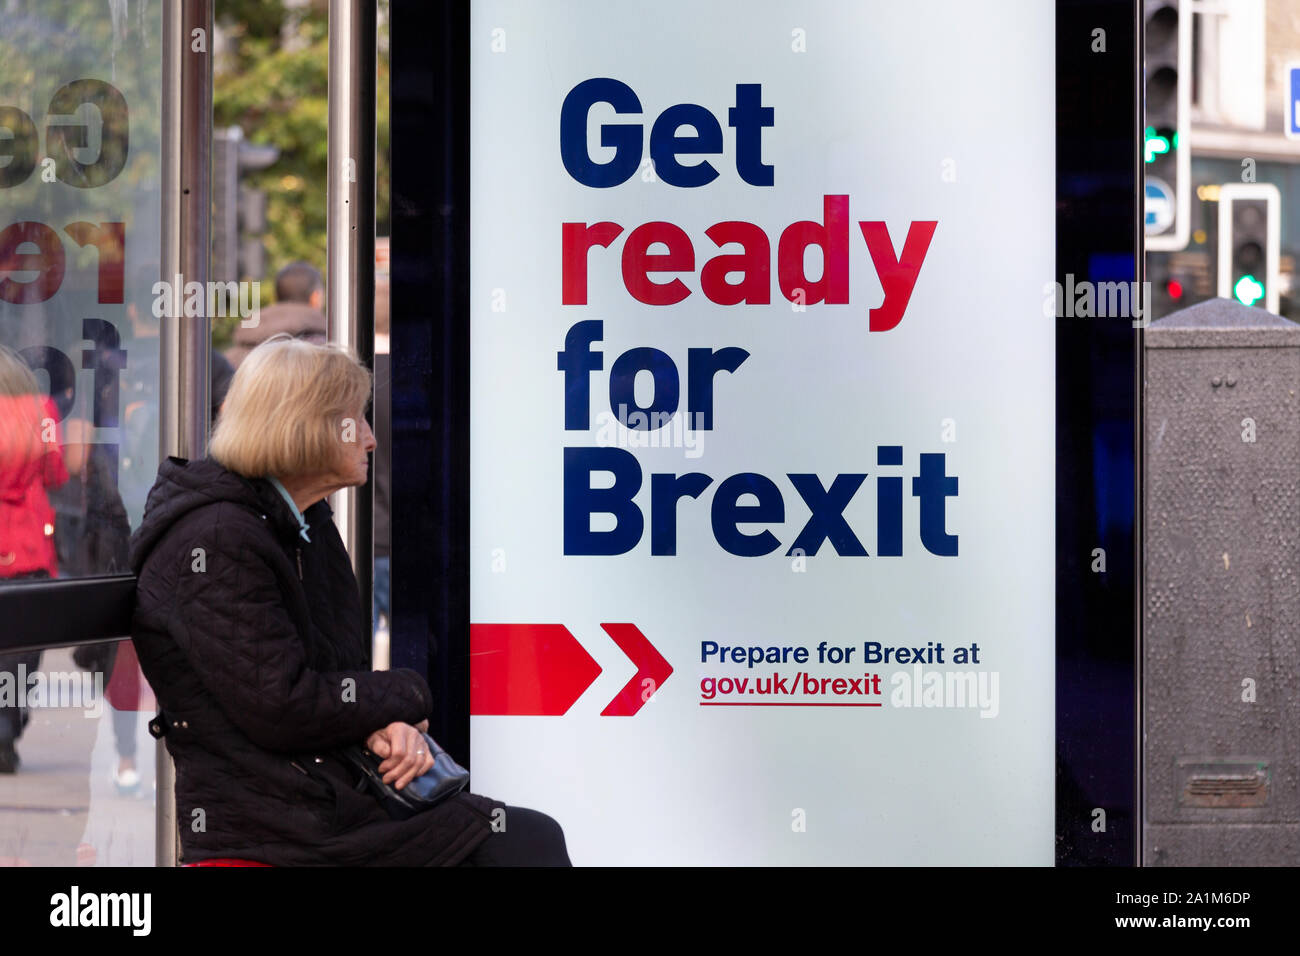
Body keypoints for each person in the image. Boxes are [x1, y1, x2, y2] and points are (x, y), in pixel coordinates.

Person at [128, 335, 570, 865]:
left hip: (325, 797)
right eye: (355, 421)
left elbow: (335, 676)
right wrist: (406, 696)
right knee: (524, 842)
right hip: (275, 821)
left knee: (526, 837)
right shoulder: (220, 539)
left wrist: (389, 726)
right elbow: (283, 706)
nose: (370, 439)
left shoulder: (300, 520)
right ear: (305, 428)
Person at [0, 345, 69, 772]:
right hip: (28, 552)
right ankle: (8, 725)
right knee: (21, 654)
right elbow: (56, 472)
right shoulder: (42, 411)